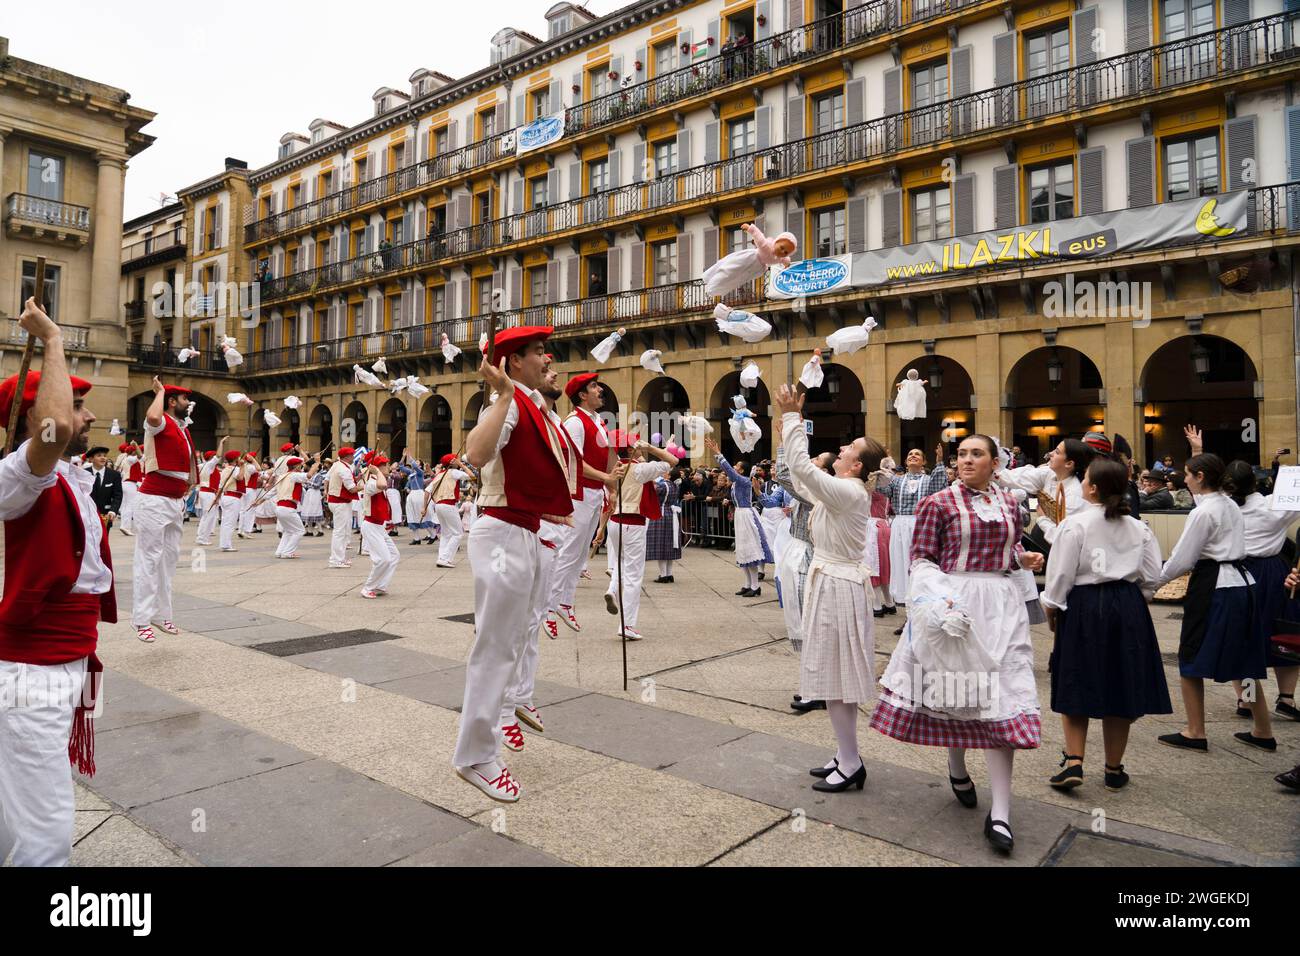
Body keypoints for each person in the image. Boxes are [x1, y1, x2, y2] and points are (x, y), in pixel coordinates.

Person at [870, 434, 1046, 855]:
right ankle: (956, 763)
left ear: (994, 462)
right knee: (957, 690)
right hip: (956, 601)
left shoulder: (1009, 503)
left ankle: (1000, 811)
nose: (966, 460)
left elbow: (1010, 547)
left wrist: (1022, 559)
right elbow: (922, 558)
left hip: (1003, 606)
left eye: (976, 454)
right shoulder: (939, 504)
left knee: (1004, 699)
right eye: (962, 454)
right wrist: (939, 603)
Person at [0, 297, 114, 866]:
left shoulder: (66, 477)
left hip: (57, 658)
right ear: (33, 416)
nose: (87, 419)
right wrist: (51, 340)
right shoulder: (19, 478)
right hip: (30, 667)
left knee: (15, 805)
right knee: (46, 823)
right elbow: (51, 433)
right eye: (76, 404)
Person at [453, 326, 573, 803]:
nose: (548, 358)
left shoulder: (534, 406)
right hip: (501, 532)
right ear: (514, 363)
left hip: (523, 531)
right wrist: (501, 394)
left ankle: (504, 718)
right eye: (539, 352)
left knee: (517, 637)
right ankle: (476, 755)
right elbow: (476, 454)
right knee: (496, 646)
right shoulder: (506, 404)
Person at [772, 384, 882, 794]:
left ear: (856, 466)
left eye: (851, 447)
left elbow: (803, 472)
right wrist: (788, 434)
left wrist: (791, 417)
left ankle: (851, 761)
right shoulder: (840, 493)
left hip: (838, 585)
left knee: (837, 677)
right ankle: (844, 752)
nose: (843, 448)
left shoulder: (850, 492)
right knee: (833, 674)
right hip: (832, 582)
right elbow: (795, 478)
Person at [1041, 458, 1171, 792]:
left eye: (1085, 478)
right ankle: (1113, 768)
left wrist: (1053, 608)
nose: (1082, 482)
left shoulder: (1076, 525)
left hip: (1085, 604)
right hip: (1127, 603)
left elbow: (1060, 575)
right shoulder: (1138, 527)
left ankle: (1074, 761)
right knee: (1121, 681)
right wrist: (1136, 597)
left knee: (1075, 676)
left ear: (1094, 487)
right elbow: (1153, 575)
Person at [1179, 427, 1300, 725]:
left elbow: (1200, 495)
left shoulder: (1218, 506)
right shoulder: (1273, 508)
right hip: (1273, 573)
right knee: (1283, 632)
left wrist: (1197, 451)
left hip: (1237, 573)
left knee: (1244, 640)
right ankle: (1286, 696)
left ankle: (1246, 699)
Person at [1154, 452, 1274, 753]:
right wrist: (1197, 450)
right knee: (1244, 660)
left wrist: (1150, 583)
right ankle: (1262, 729)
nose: (1183, 478)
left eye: (1187, 473)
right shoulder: (1230, 504)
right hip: (1242, 583)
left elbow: (1182, 559)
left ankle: (1195, 731)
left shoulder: (1204, 512)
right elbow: (1206, 509)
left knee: (1190, 658)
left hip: (1214, 585)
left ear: (1200, 477)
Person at [501, 358, 579, 741]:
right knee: (511, 627)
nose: (554, 374)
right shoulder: (518, 410)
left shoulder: (554, 422)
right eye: (547, 369)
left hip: (547, 530)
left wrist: (606, 483)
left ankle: (521, 695)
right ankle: (505, 706)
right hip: (522, 528)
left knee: (528, 624)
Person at [551, 373, 620, 632]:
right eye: (594, 386)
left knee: (580, 554)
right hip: (577, 495)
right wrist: (606, 477)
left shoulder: (599, 422)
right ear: (582, 395)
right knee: (570, 550)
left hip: (593, 494)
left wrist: (612, 489)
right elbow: (574, 463)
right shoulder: (575, 422)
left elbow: (610, 457)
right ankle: (551, 603)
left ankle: (565, 602)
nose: (600, 389)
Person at [131, 378, 197, 644]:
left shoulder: (181, 427)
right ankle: (141, 619)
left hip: (173, 500)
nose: (188, 404)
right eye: (183, 400)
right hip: (154, 500)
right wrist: (159, 393)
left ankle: (161, 614)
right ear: (172, 402)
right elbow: (151, 415)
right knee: (148, 559)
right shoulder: (159, 423)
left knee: (168, 561)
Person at [604, 432, 677, 640]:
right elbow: (672, 460)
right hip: (633, 522)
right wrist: (651, 448)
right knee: (634, 575)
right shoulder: (639, 469)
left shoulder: (615, 468)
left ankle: (612, 589)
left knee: (621, 562)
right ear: (630, 449)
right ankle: (627, 625)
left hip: (615, 521)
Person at [877, 444, 948, 611]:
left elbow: (940, 487)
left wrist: (939, 461)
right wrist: (882, 464)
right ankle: (906, 605)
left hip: (920, 524)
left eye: (917, 454)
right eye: (910, 454)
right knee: (900, 561)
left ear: (923, 461)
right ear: (905, 461)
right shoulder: (897, 480)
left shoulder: (929, 480)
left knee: (918, 563)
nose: (913, 455)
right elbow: (882, 489)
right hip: (900, 524)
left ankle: (920, 603)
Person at [996, 438, 1094, 554]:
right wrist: (989, 473)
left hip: (1060, 550)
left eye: (1057, 452)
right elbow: (1017, 477)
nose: (1050, 454)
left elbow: (1064, 539)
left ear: (1069, 464)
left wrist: (1042, 518)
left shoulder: (1075, 495)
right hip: (1040, 536)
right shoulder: (1050, 473)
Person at [706, 437, 772, 596]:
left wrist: (718, 454)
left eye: (737, 466)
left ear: (742, 470)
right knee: (743, 550)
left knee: (751, 549)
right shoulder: (737, 482)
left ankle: (756, 586)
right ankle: (748, 584)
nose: (734, 468)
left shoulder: (743, 480)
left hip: (747, 515)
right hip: (740, 515)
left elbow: (729, 471)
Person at [358, 453, 400, 598]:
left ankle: (380, 585)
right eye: (385, 464)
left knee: (394, 555)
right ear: (378, 467)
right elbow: (382, 485)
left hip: (378, 526)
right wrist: (375, 471)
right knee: (383, 559)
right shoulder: (371, 482)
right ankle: (368, 587)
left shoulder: (376, 478)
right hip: (371, 525)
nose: (388, 467)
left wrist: (377, 471)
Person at [273, 454, 321, 559]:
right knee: (300, 531)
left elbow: (271, 492)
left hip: (280, 507)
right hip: (288, 508)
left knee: (288, 531)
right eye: (300, 465)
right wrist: (317, 462)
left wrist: (258, 501)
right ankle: (287, 552)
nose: (301, 467)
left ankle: (280, 551)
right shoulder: (294, 475)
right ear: (296, 466)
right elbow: (308, 475)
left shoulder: (281, 476)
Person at [428, 454, 470, 567]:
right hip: (448, 504)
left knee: (446, 533)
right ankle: (445, 558)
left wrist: (423, 507)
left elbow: (428, 490)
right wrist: (462, 465)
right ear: (452, 462)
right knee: (458, 533)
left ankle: (441, 557)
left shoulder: (439, 474)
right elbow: (472, 476)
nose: (458, 461)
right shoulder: (454, 472)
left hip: (438, 505)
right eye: (456, 459)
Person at [325, 447, 359, 568]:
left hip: (336, 501)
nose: (353, 457)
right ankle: (336, 560)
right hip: (340, 502)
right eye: (352, 455)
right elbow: (352, 488)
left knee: (343, 531)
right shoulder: (343, 469)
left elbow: (327, 479)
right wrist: (365, 486)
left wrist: (358, 479)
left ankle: (340, 558)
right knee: (340, 532)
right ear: (346, 457)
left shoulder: (336, 465)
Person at [646, 469, 682, 583]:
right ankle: (669, 574)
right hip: (672, 515)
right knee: (670, 545)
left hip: (661, 514)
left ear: (669, 475)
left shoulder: (663, 485)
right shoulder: (675, 486)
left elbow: (651, 491)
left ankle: (663, 575)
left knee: (660, 545)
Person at [194, 439, 228, 546]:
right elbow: (218, 456)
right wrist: (221, 443)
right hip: (208, 493)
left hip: (204, 491)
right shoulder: (209, 465)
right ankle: (202, 538)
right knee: (209, 516)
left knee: (206, 515)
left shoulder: (201, 466)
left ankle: (201, 535)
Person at [85, 445, 122, 529]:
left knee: (104, 540)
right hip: (87, 515)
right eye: (99, 455)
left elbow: (118, 495)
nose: (103, 458)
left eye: (104, 456)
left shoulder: (114, 475)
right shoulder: (84, 473)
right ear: (91, 459)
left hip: (106, 515)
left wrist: (113, 511)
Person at [216, 449, 245, 552]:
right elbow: (240, 478)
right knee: (230, 522)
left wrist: (217, 498)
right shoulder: (234, 469)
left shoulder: (225, 469)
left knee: (225, 521)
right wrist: (242, 466)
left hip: (226, 496)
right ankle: (226, 545)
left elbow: (220, 485)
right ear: (236, 459)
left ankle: (224, 543)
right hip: (233, 497)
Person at [117, 440, 142, 535]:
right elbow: (140, 456)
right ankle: (125, 526)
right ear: (133, 452)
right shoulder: (130, 459)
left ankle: (126, 526)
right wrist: (136, 445)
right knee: (130, 506)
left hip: (125, 484)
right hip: (130, 484)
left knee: (126, 506)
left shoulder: (125, 459)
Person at [300, 460, 326, 536]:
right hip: (309, 493)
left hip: (315, 494)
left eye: (314, 467)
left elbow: (317, 485)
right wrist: (304, 484)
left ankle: (320, 530)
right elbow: (308, 485)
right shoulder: (310, 475)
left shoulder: (319, 476)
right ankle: (310, 530)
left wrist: (309, 483)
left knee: (315, 510)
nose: (312, 468)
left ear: (317, 469)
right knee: (308, 511)